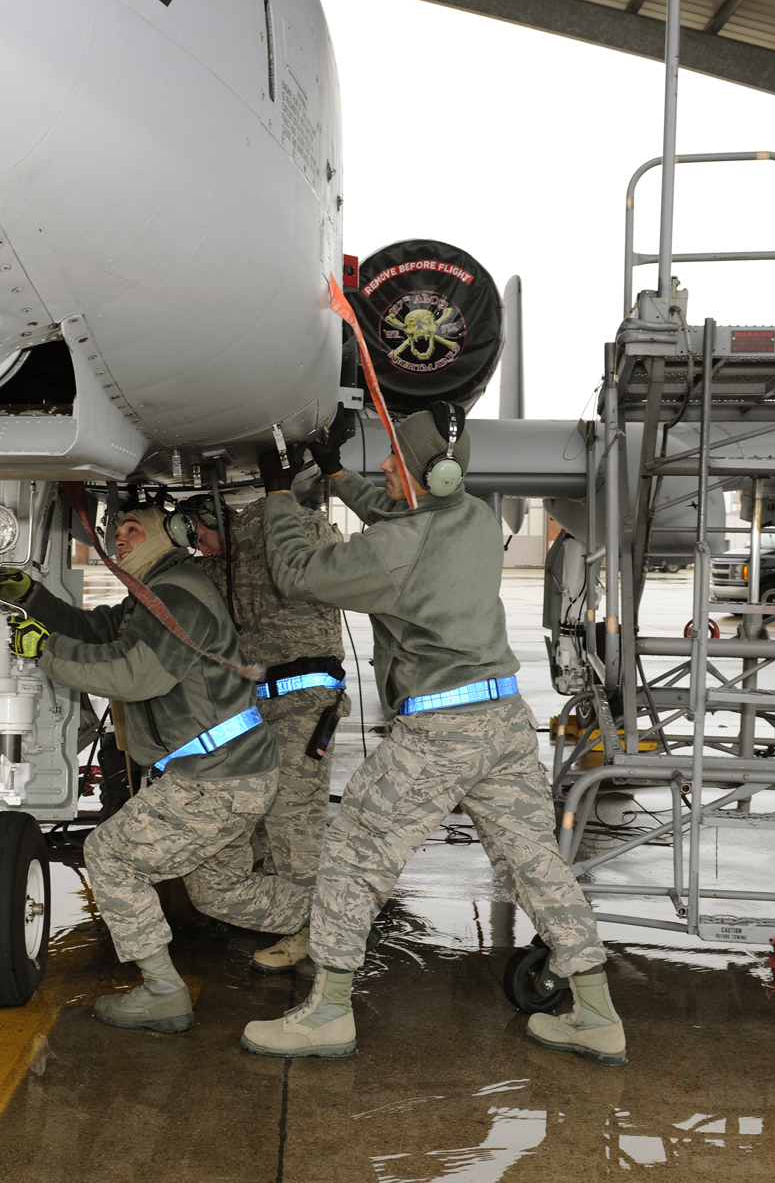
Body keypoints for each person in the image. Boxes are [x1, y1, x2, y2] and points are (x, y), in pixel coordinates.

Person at [239, 404, 626, 1067]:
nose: (385, 466)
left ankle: (328, 1014)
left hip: (441, 732)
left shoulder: (401, 547)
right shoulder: (472, 518)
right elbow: (401, 519)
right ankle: (597, 1015)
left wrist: (279, 497)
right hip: (504, 723)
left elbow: (298, 573)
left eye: (395, 460)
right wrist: (334, 472)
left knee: (353, 857)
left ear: (433, 474)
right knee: (535, 863)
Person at [0, 504, 308, 1034]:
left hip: (218, 778)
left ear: (166, 535)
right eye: (113, 532)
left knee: (110, 856)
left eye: (131, 530)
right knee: (218, 890)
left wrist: (46, 651)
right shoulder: (159, 589)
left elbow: (136, 674)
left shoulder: (177, 596)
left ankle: (165, 992)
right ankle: (329, 919)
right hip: (236, 770)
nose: (118, 540)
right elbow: (102, 632)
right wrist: (36, 600)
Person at [177, 491, 350, 976]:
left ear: (220, 519)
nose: (202, 549)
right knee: (264, 818)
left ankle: (320, 939)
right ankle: (288, 914)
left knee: (296, 822)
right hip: (259, 709)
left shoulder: (291, 532)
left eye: (202, 535)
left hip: (306, 706)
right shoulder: (218, 568)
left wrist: (259, 523)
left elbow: (313, 556)